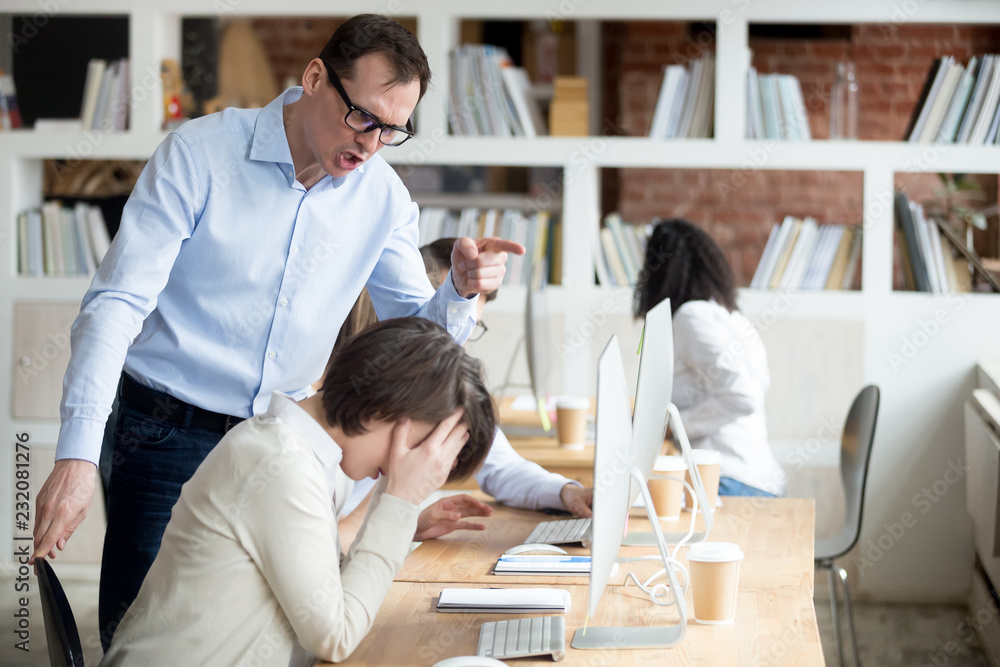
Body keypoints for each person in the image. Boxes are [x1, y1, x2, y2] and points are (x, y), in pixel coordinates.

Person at [31, 14, 523, 650]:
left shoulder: (383, 200)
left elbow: (415, 351)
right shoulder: (200, 154)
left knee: (268, 632)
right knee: (150, 635)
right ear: (315, 78)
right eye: (364, 118)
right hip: (163, 432)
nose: (373, 144)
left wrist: (457, 292)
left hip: (284, 449)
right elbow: (116, 304)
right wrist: (77, 453)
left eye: (393, 131)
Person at [100, 318, 496, 666]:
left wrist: (398, 513)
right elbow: (335, 637)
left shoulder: (299, 449)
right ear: (388, 408)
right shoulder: (281, 463)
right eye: (420, 451)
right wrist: (400, 501)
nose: (404, 469)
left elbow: (320, 579)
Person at [336, 237, 594, 543]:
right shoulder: (340, 394)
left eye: (471, 324)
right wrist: (395, 515)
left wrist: (568, 492)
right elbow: (323, 538)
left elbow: (500, 467)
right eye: (454, 318)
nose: (460, 340)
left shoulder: (434, 390)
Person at [634, 218, 786, 497]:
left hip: (730, 480)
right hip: (754, 477)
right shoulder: (730, 317)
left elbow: (743, 396)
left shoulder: (692, 317)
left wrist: (675, 427)